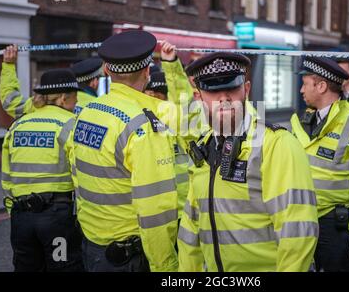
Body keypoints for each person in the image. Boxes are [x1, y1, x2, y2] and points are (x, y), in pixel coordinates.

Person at [177, 52, 318, 272]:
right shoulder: (203, 149)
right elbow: (190, 227)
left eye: (232, 88)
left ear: (247, 89)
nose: (224, 98)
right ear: (198, 97)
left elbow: (297, 232)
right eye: (213, 90)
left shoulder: (276, 144)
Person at [73, 30, 178, 272]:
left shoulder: (87, 112)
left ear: (107, 71)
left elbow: (77, 173)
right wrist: (166, 266)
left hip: (93, 244)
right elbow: (154, 207)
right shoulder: (144, 125)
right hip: (128, 255)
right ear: (148, 71)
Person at [290, 56, 349, 272]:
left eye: (305, 84)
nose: (301, 90)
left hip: (339, 227)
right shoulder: (301, 120)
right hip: (303, 220)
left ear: (321, 86)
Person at [1, 68, 84, 272]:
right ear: (64, 98)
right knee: (63, 266)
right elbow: (81, 176)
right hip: (57, 218)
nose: (76, 104)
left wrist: (15, 211)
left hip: (21, 217)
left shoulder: (17, 126)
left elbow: (6, 177)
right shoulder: (71, 125)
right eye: (75, 98)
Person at [0, 45, 101, 119]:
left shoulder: (38, 102)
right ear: (94, 82)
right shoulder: (98, 108)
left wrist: (8, 65)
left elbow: (10, 101)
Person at [144, 63, 189, 221]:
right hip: (182, 203)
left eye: (154, 93)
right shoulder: (180, 113)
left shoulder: (143, 115)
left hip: (161, 204)